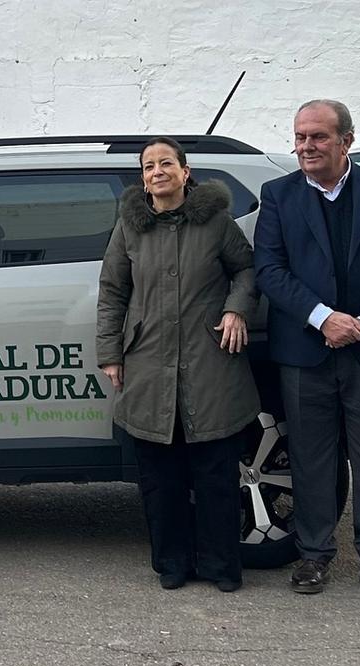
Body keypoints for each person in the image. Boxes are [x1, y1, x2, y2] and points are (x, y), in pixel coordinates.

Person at [254, 99, 360, 597]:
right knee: (310, 456)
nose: (306, 146)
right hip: (306, 349)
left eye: (318, 137)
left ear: (346, 140)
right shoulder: (278, 194)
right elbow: (269, 269)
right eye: (301, 137)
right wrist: (323, 318)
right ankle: (313, 554)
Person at [97, 137, 260, 592]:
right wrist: (110, 353)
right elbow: (112, 290)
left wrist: (236, 309)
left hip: (211, 364)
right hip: (148, 363)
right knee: (160, 478)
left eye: (166, 163)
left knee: (215, 475)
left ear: (185, 172)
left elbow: (246, 271)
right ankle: (172, 563)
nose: (157, 172)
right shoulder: (130, 228)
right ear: (143, 179)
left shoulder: (216, 223)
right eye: (149, 166)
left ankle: (221, 566)